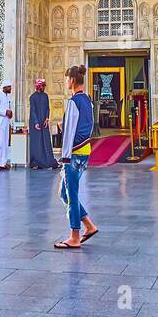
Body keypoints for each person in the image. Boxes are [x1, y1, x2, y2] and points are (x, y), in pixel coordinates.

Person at [54, 64, 100, 250]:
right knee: (64, 193)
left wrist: (64, 157)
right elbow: (88, 126)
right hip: (84, 151)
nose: (65, 82)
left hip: (73, 154)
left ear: (72, 80)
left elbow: (69, 132)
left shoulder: (73, 102)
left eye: (66, 79)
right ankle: (89, 225)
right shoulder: (87, 101)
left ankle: (74, 234)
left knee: (71, 194)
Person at [27, 78, 58, 170]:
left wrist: (47, 118)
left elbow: (48, 108)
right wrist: (36, 122)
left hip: (44, 122)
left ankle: (48, 161)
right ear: (38, 86)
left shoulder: (45, 96)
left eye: (44, 85)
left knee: (46, 141)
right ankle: (35, 162)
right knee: (36, 142)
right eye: (42, 85)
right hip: (35, 123)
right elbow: (33, 111)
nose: (44, 87)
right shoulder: (32, 97)